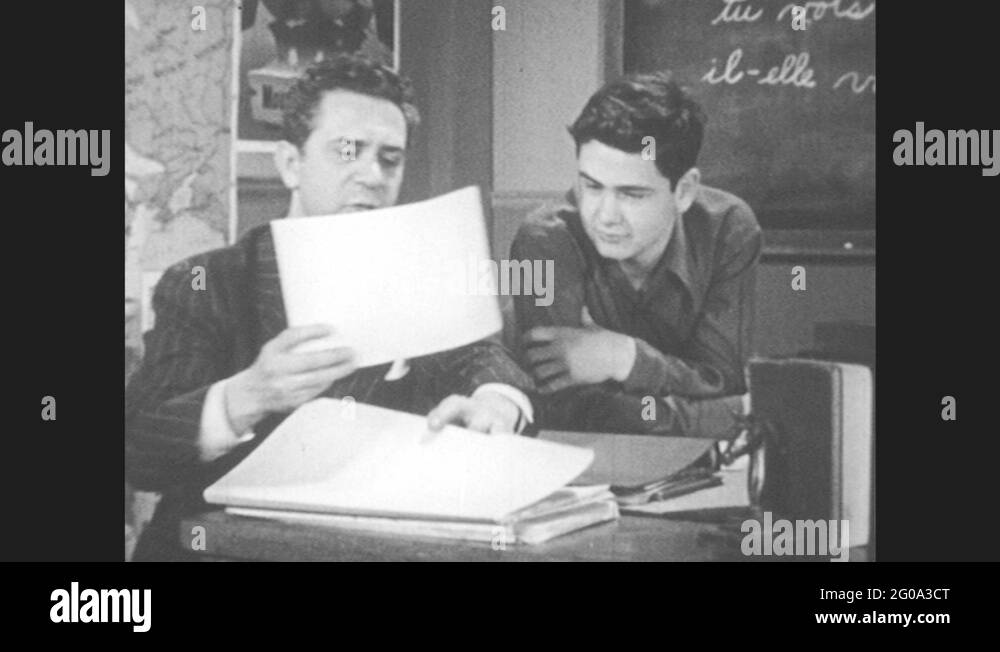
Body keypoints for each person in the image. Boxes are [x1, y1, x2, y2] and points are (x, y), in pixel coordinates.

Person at [126, 55, 533, 561]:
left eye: (390, 158)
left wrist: (496, 405)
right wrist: (245, 395)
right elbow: (139, 447)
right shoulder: (207, 283)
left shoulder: (418, 274)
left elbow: (488, 362)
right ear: (290, 164)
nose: (371, 174)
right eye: (347, 150)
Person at [510, 72, 761, 435]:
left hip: (691, 467)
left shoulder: (730, 229)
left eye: (632, 194)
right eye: (591, 187)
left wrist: (624, 358)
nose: (605, 216)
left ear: (684, 191)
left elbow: (724, 381)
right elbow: (564, 414)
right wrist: (717, 415)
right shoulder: (542, 242)